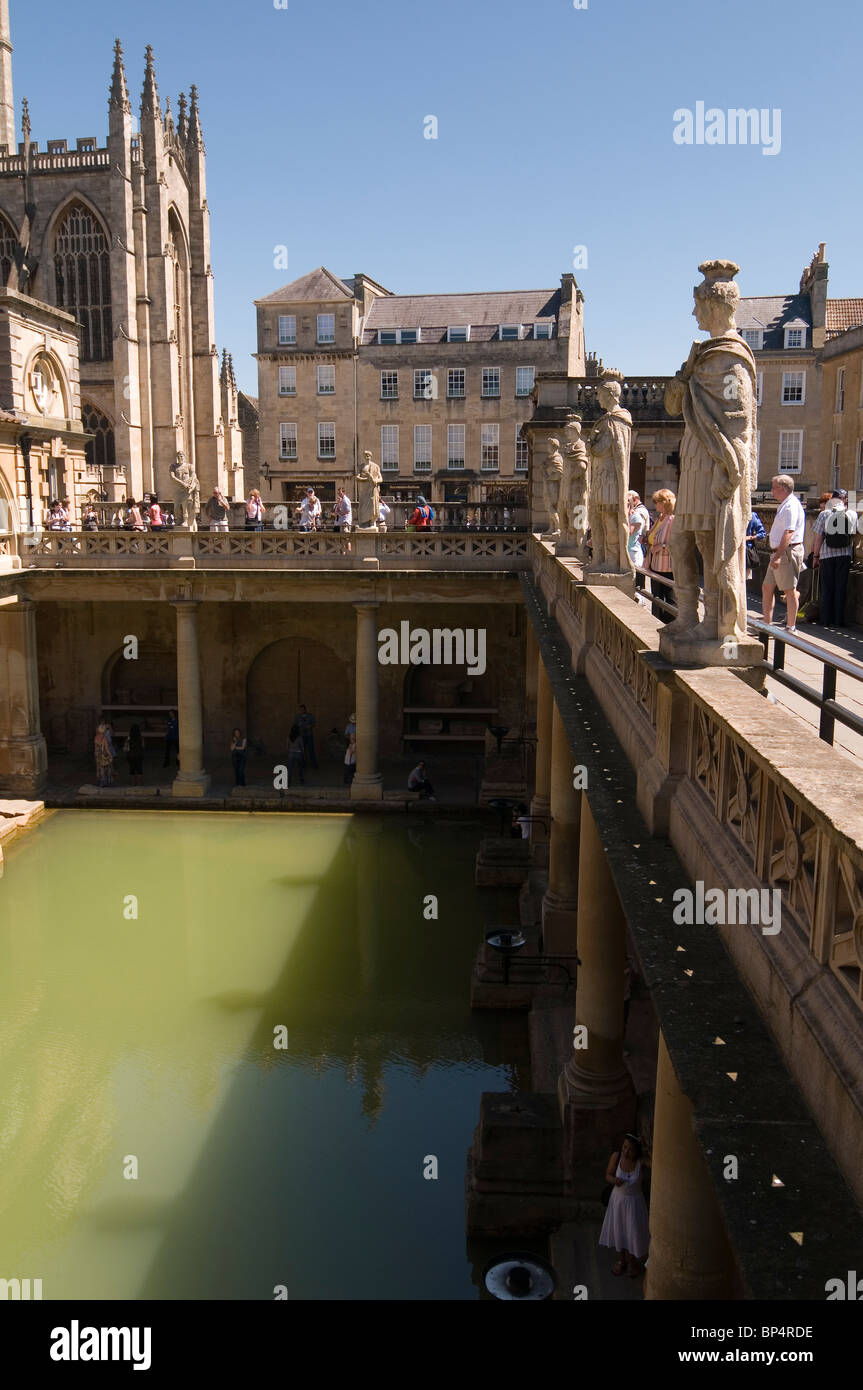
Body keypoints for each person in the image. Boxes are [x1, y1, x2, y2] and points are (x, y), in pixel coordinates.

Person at [598, 1133, 651, 1278]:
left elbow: (656, 1163)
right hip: (618, 1201)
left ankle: (632, 1261)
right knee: (619, 1230)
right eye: (625, 1147)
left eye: (631, 1149)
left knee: (632, 1232)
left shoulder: (641, 1162)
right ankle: (622, 1260)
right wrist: (614, 1180)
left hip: (634, 1203)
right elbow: (607, 1175)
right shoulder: (617, 1157)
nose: (626, 1151)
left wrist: (645, 1148)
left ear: (637, 1151)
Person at [762, 473, 806, 634]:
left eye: (774, 488)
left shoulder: (791, 506)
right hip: (778, 552)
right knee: (767, 587)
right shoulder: (785, 504)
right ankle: (766, 624)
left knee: (789, 590)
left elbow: (789, 531)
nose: (772, 491)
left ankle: (791, 627)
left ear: (782, 488)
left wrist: (779, 555)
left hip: (786, 552)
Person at [813, 487, 858, 628]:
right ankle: (839, 620)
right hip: (845, 555)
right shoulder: (852, 514)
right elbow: (854, 534)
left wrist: (815, 555)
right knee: (841, 588)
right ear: (845, 500)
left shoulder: (824, 514)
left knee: (827, 588)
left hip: (827, 554)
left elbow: (819, 537)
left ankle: (826, 619)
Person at [645, 490, 676, 621]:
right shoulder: (659, 518)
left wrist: (662, 546)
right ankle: (655, 621)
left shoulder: (673, 520)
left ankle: (669, 624)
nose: (655, 505)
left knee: (669, 598)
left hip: (667, 566)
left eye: (656, 502)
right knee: (656, 597)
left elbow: (677, 544)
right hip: (654, 564)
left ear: (664, 503)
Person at [626, 490, 651, 585]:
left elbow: (629, 533)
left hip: (633, 553)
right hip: (626, 551)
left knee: (635, 582)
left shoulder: (637, 515)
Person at [745, 509, 766, 583]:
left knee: (743, 580)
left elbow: (762, 533)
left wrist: (749, 537)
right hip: (732, 550)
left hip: (746, 551)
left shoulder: (751, 515)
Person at [94, 720, 115, 787]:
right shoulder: (104, 738)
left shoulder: (96, 737)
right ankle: (108, 781)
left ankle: (101, 781)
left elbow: (95, 748)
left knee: (100, 768)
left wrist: (96, 754)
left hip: (98, 754)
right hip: (104, 755)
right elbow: (107, 749)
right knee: (108, 768)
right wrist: (110, 755)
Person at [297, 704, 318, 769]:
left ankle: (314, 764)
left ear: (305, 709)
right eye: (301, 709)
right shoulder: (298, 716)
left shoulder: (310, 716)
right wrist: (299, 726)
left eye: (303, 709)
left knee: (311, 750)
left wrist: (310, 726)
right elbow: (295, 724)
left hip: (309, 735)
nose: (302, 710)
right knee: (302, 751)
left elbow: (314, 723)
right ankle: (303, 765)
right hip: (302, 735)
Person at [334, 486, 352, 554]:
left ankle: (349, 553)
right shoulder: (342, 500)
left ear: (344, 492)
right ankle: (344, 553)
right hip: (342, 522)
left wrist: (340, 513)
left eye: (340, 493)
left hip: (345, 522)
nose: (339, 494)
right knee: (343, 539)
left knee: (346, 538)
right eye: (338, 493)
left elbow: (348, 510)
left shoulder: (345, 500)